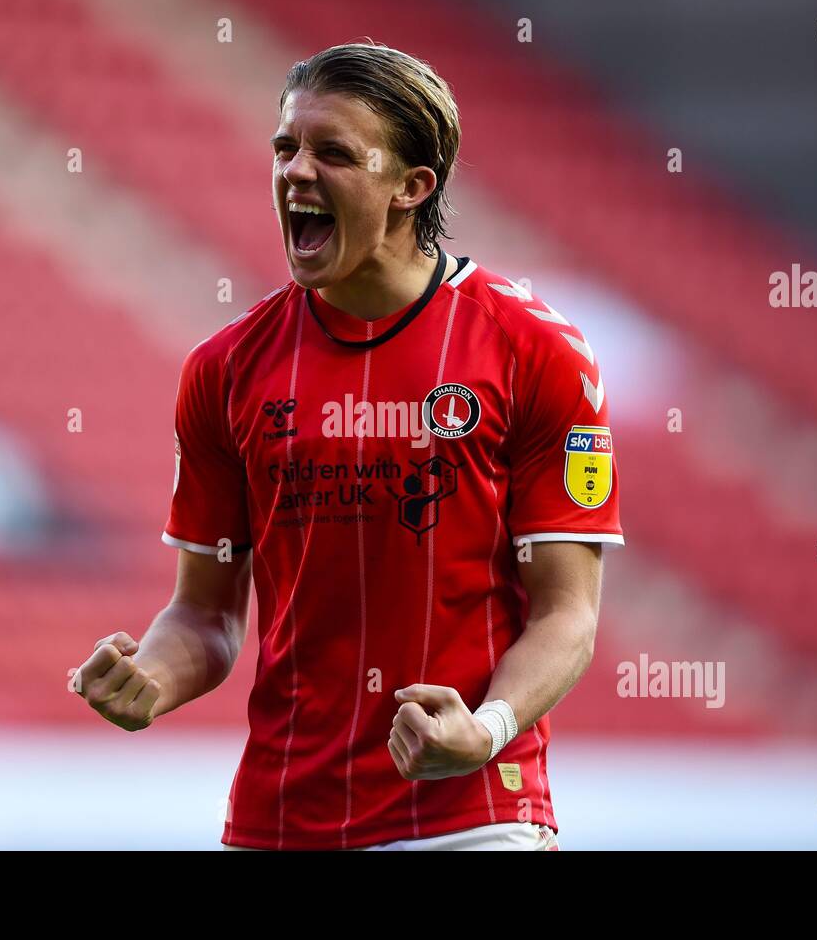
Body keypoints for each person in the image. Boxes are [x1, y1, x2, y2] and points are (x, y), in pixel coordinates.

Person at [71, 42, 623, 851]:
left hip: (469, 820)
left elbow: (568, 614)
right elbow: (204, 615)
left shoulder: (536, 352)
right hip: (280, 817)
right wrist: (151, 676)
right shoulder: (224, 369)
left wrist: (487, 725)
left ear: (412, 185)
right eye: (285, 148)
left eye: (331, 152)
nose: (296, 171)